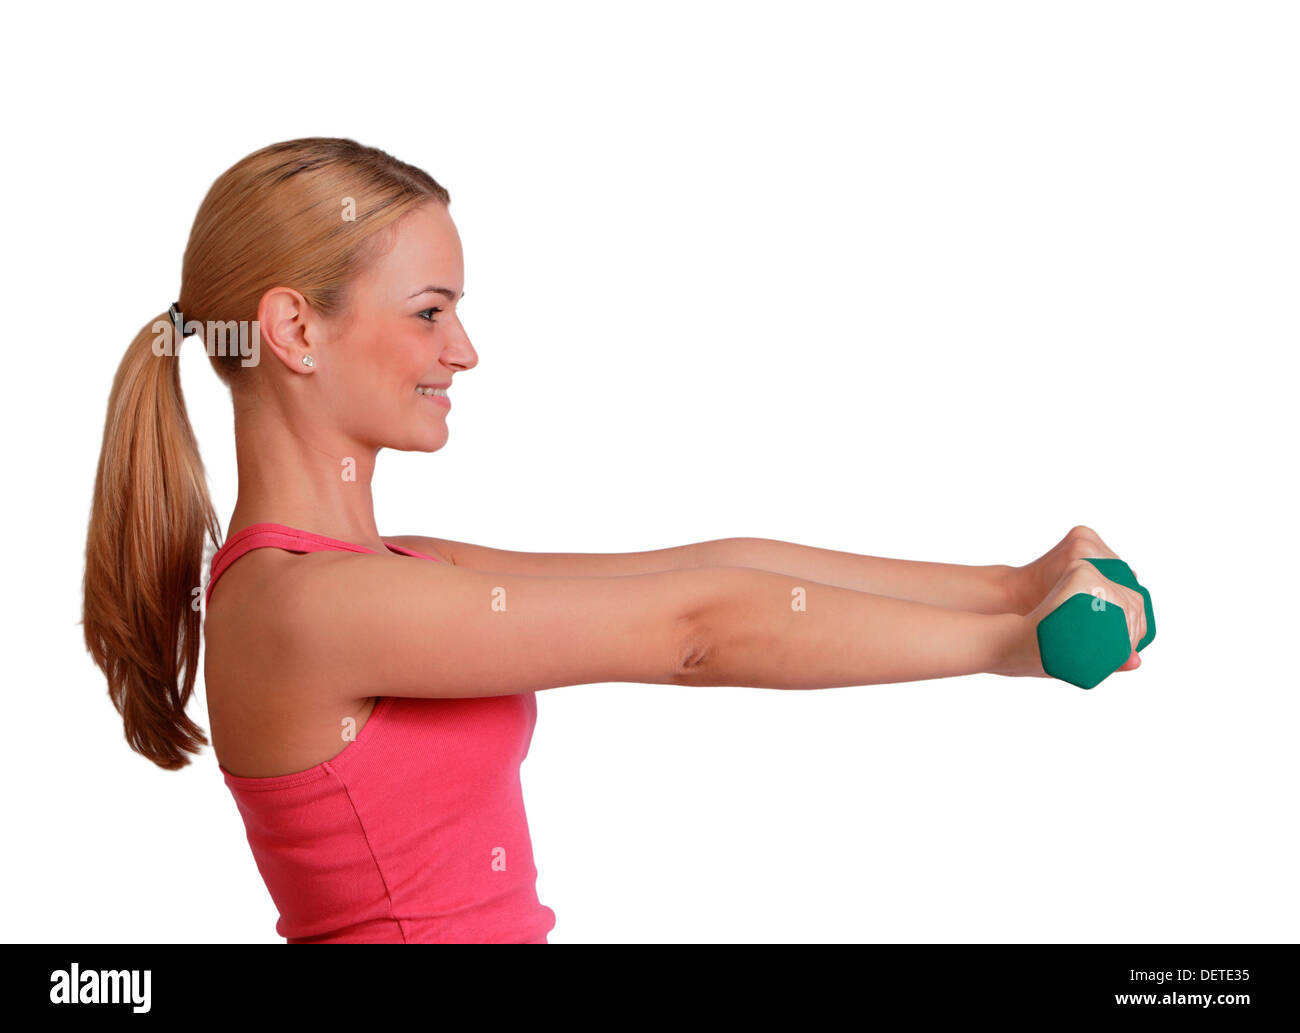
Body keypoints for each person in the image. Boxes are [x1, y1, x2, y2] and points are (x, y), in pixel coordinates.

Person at [81, 137, 1147, 944]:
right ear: (295, 329)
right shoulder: (299, 607)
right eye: (428, 311)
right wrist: (1012, 651)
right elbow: (697, 630)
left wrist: (1014, 585)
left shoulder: (403, 572)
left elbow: (705, 567)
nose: (465, 350)